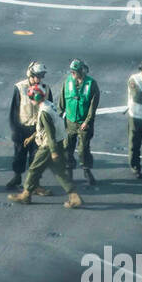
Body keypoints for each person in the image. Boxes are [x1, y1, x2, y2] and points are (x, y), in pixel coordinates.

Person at [9, 85, 82, 208]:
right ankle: (74, 196)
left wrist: (53, 152)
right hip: (57, 143)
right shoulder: (48, 105)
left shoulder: (44, 112)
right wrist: (32, 137)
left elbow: (49, 132)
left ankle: (26, 195)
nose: (31, 99)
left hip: (48, 146)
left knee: (34, 169)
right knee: (59, 172)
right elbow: (44, 127)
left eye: (31, 97)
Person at [6, 61, 51, 191]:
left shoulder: (46, 89)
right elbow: (14, 111)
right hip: (22, 128)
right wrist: (15, 130)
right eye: (38, 76)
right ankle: (17, 176)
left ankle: (34, 182)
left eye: (41, 76)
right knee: (19, 154)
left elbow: (50, 109)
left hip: (38, 130)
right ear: (30, 74)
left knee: (36, 157)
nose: (40, 79)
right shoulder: (19, 88)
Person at [60, 59, 99, 187]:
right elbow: (62, 99)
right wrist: (60, 116)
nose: (73, 74)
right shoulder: (68, 82)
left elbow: (93, 106)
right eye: (71, 72)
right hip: (70, 121)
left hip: (84, 123)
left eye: (75, 72)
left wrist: (87, 121)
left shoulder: (91, 84)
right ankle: (69, 171)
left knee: (83, 149)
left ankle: (86, 170)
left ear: (81, 71)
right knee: (68, 148)